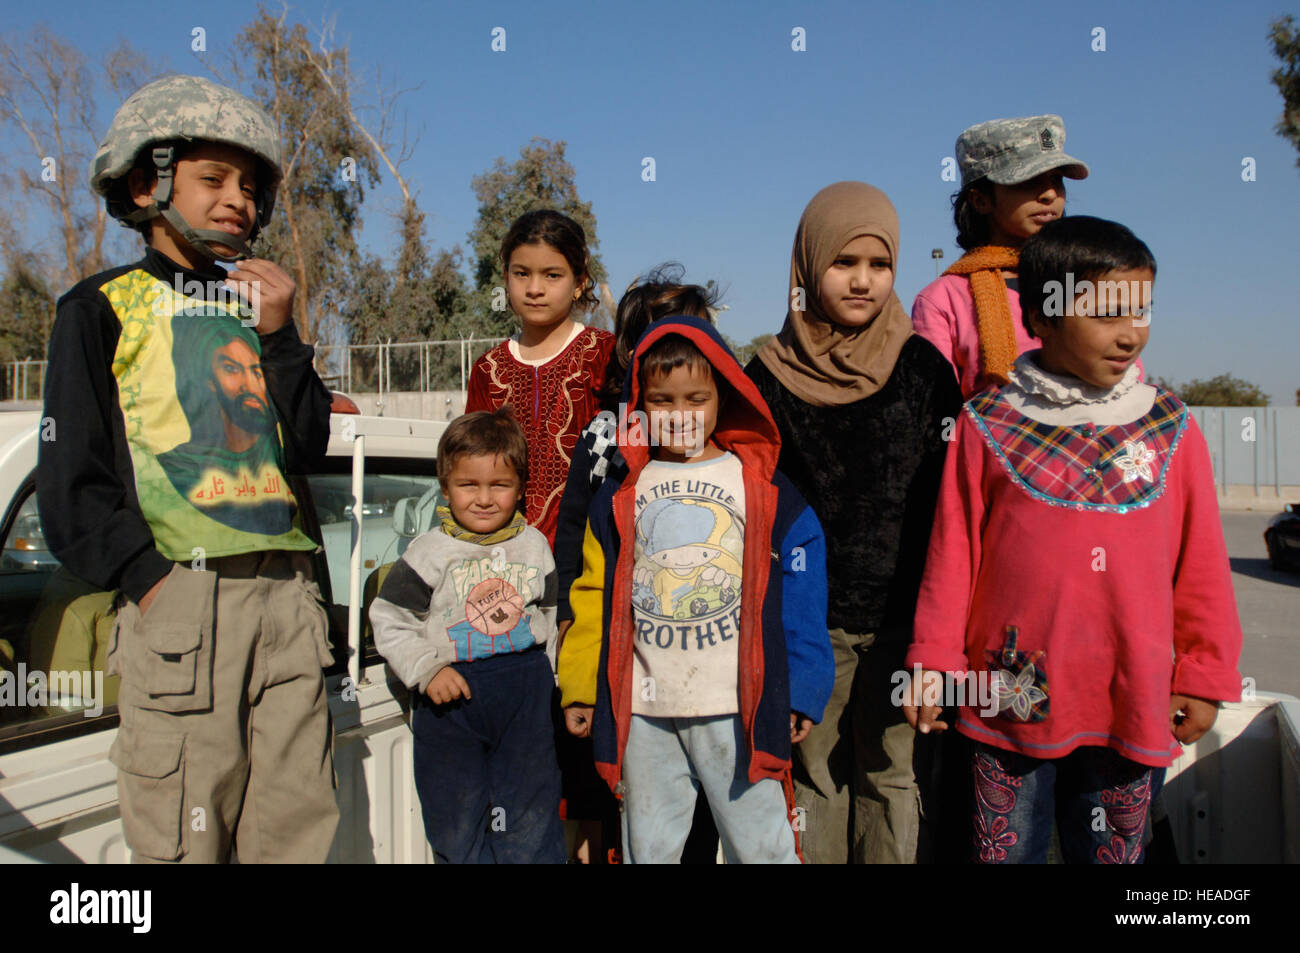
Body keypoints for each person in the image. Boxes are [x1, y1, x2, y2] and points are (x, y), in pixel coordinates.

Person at [37, 75, 337, 863]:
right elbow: (73, 484)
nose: (237, 199)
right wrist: (151, 578)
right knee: (182, 834)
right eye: (213, 178)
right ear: (148, 183)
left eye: (249, 185)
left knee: (296, 831)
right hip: (182, 601)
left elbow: (307, 451)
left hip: (286, 594)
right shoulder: (98, 307)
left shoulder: (262, 308)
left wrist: (282, 339)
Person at [903, 216, 1243, 864]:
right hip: (1010, 691)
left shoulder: (1168, 425)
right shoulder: (989, 422)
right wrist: (934, 662)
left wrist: (1203, 671)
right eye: (1108, 312)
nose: (1131, 331)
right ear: (1041, 315)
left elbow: (1199, 560)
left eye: (1140, 310)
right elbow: (954, 556)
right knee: (1005, 852)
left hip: (1132, 690)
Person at [558, 316, 835, 863]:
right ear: (639, 404)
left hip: (738, 708)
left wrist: (802, 685)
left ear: (722, 397)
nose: (679, 414)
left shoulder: (762, 488)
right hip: (645, 713)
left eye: (695, 398)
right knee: (649, 848)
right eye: (662, 400)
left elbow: (803, 588)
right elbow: (592, 595)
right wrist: (580, 686)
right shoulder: (619, 493)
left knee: (762, 847)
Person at [745, 182, 961, 864]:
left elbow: (951, 504)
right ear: (808, 266)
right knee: (814, 775)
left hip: (903, 620)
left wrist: (940, 630)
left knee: (890, 772)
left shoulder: (924, 369)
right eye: (844, 262)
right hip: (810, 625)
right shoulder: (767, 375)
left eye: (880, 263)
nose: (863, 280)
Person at [551, 265, 721, 863]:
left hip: (700, 651)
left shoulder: (723, 447)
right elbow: (576, 531)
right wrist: (570, 612)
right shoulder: (606, 435)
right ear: (632, 351)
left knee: (702, 800)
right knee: (630, 789)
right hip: (622, 645)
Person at [369, 408, 565, 863]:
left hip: (525, 700)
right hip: (450, 701)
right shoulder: (428, 552)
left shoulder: (535, 545)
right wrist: (428, 669)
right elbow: (390, 618)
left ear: (520, 488)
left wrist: (552, 682)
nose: (483, 498)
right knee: (456, 818)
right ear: (445, 487)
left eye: (499, 485)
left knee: (530, 814)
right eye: (467, 485)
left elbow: (552, 617)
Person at [912, 115, 1091, 398]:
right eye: (1027, 180)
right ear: (980, 199)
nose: (1049, 193)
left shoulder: (1087, 281)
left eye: (1056, 179)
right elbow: (935, 407)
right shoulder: (942, 300)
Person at [465, 209, 614, 546]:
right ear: (505, 278)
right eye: (522, 274)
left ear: (579, 283)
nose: (534, 289)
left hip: (589, 552)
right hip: (503, 553)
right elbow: (469, 464)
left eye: (551, 275)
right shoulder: (488, 369)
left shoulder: (604, 355)